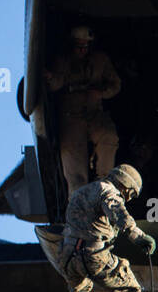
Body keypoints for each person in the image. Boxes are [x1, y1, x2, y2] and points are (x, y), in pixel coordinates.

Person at [56, 164, 155, 292]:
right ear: (126, 187)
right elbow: (119, 215)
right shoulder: (109, 192)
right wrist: (139, 238)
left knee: (79, 290)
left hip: (67, 255)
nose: (128, 199)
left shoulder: (80, 192)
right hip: (93, 254)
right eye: (130, 194)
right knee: (132, 290)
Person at [44, 25, 122, 193]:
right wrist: (50, 78)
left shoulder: (100, 60)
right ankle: (78, 204)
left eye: (85, 46)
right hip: (71, 119)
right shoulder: (62, 62)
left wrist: (101, 93)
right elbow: (55, 84)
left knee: (109, 136)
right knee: (75, 172)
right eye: (78, 45)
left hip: (94, 113)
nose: (81, 50)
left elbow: (115, 85)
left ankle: (104, 186)